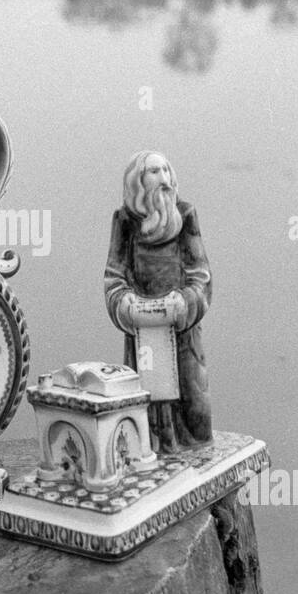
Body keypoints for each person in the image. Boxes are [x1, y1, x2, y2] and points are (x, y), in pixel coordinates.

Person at [103, 150, 213, 453]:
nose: (163, 178)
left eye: (166, 170)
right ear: (138, 180)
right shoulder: (125, 221)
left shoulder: (186, 214)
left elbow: (201, 276)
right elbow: (114, 275)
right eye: (154, 171)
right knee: (146, 404)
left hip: (183, 333)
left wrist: (185, 302)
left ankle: (194, 456)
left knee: (194, 412)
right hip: (143, 334)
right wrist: (124, 303)